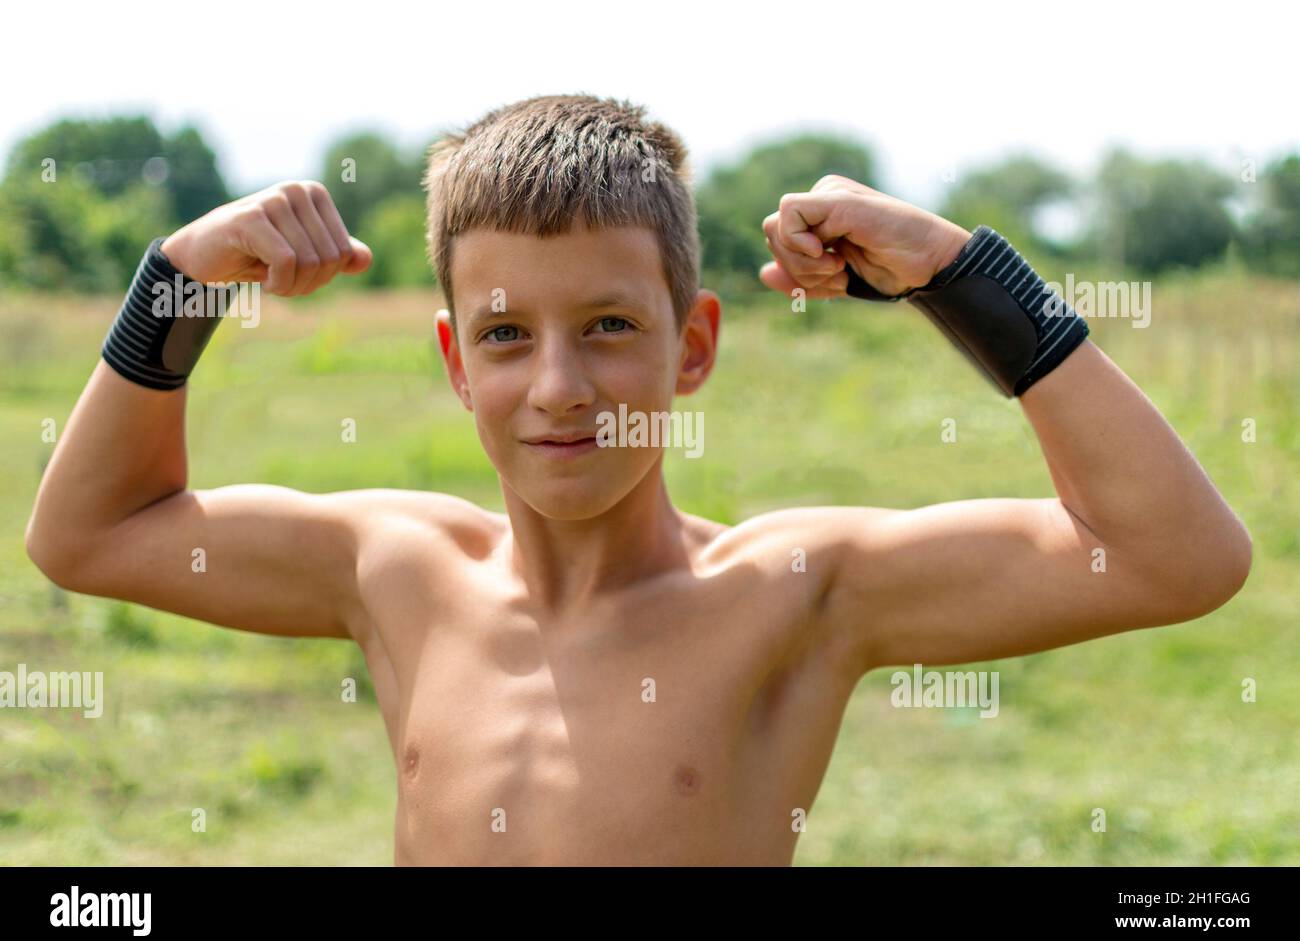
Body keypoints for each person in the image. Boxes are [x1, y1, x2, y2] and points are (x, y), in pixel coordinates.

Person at [25, 94, 1252, 865]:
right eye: (507, 335)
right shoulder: (394, 568)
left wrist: (956, 273)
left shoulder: (791, 590)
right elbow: (90, 532)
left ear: (695, 345)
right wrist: (179, 278)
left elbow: (1174, 555)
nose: (559, 385)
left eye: (610, 326)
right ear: (456, 361)